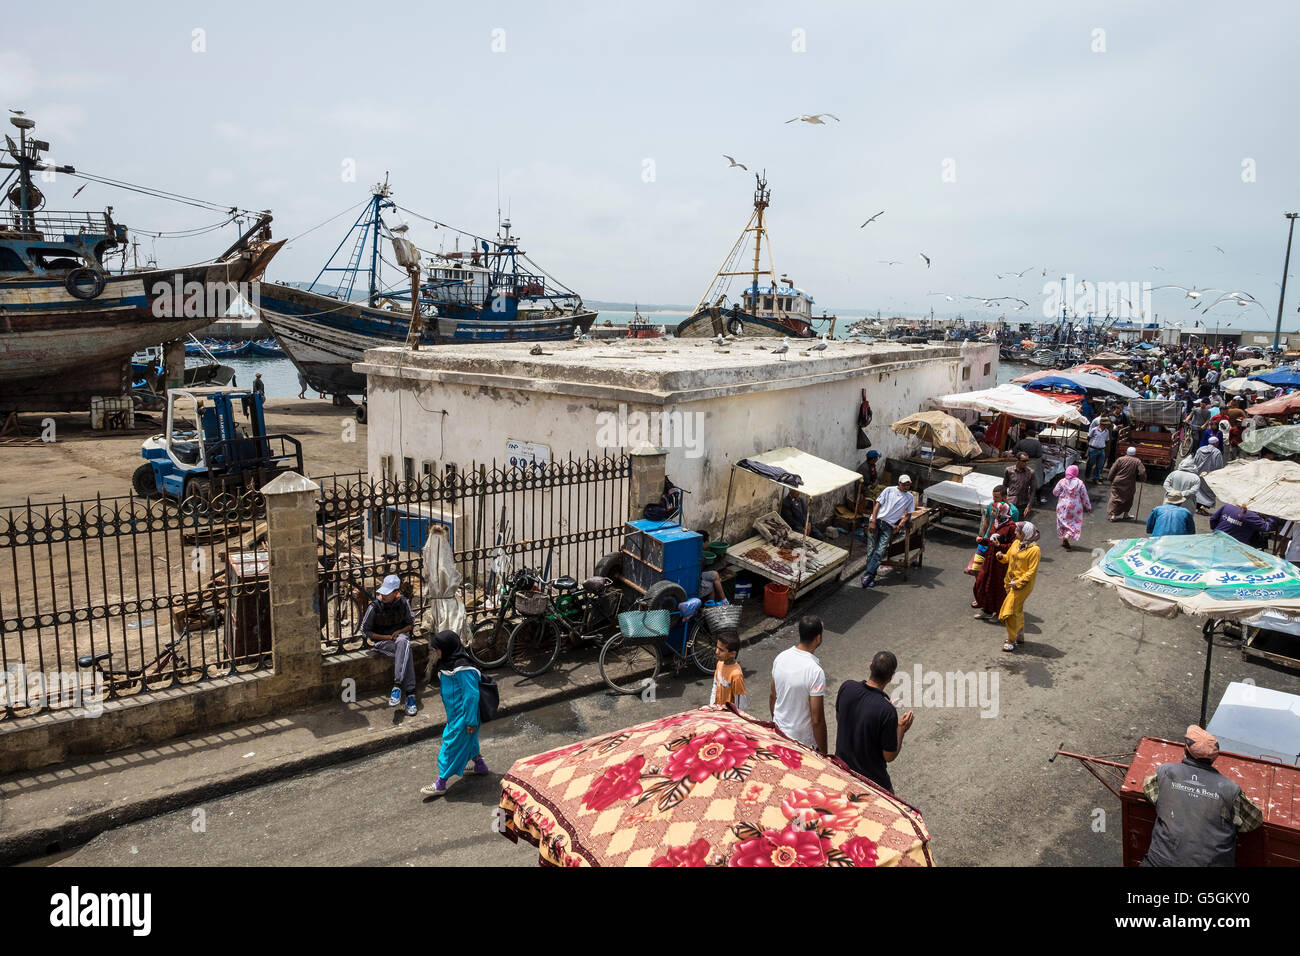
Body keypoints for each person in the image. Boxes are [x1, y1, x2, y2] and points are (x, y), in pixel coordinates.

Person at [1141, 726, 1262, 867]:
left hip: (1159, 863)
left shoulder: (1166, 772)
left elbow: (1149, 790)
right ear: (1214, 758)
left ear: (1185, 749)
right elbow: (1254, 820)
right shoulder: (1230, 789)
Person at [420, 630, 489, 797]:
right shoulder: (448, 663)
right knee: (469, 740)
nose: (436, 652)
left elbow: (471, 695)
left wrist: (470, 721)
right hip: (456, 715)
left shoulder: (463, 669)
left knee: (449, 745)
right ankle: (480, 765)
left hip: (463, 717)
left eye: (437, 649)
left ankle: (441, 783)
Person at [834, 650, 914, 793]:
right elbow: (889, 756)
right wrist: (901, 728)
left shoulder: (847, 687)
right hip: (871, 782)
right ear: (890, 678)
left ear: (870, 666)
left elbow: (839, 718)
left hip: (842, 770)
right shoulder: (887, 710)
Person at [362, 574, 418, 716]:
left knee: (403, 643)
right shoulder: (374, 606)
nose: (383, 596)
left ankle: (398, 688)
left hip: (398, 641)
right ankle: (409, 693)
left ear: (395, 593)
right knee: (406, 648)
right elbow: (365, 630)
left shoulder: (403, 603)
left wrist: (399, 631)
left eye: (387, 593)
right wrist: (385, 637)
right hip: (382, 643)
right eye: (382, 593)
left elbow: (410, 624)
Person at [769, 616, 827, 753]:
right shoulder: (815, 671)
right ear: (818, 638)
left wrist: (777, 723)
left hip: (778, 733)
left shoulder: (781, 657)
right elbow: (817, 719)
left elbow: (773, 696)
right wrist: (824, 751)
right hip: (802, 743)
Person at [860, 474, 915, 589]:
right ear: (899, 483)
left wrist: (902, 522)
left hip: (888, 526)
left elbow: (909, 514)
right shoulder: (889, 490)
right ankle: (871, 577)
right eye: (904, 484)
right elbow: (877, 505)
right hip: (877, 521)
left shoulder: (910, 497)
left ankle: (867, 575)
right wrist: (873, 521)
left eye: (908, 484)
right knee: (871, 550)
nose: (906, 486)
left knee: (879, 552)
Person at [996, 521, 1041, 652]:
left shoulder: (1034, 550)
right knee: (1017, 609)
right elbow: (1008, 558)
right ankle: (1020, 633)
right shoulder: (1016, 543)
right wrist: (1001, 557)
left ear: (1025, 533)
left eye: (1017, 531)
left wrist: (1018, 582)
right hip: (1009, 582)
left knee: (1008, 612)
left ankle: (1011, 639)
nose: (1015, 533)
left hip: (1022, 586)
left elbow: (1031, 571)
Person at [972, 502, 1018, 620]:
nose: (992, 513)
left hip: (1001, 562)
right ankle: (986, 609)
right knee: (982, 582)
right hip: (989, 559)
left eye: (994, 511)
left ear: (1001, 512)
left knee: (997, 587)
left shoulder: (1011, 526)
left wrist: (1000, 546)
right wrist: (982, 540)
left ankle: (999, 612)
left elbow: (1013, 546)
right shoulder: (995, 523)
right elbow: (990, 540)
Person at [1052, 464, 1091, 549]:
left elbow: (1055, 492)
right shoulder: (1080, 483)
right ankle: (1067, 536)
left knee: (1063, 522)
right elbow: (1084, 496)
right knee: (1075, 522)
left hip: (1062, 506)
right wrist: (1088, 507)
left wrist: (1062, 493)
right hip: (1075, 506)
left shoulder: (1062, 481)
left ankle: (1064, 537)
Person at [1106, 446, 1147, 522]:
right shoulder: (1137, 461)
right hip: (1129, 483)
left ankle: (1113, 515)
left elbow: (1112, 470)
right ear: (1135, 453)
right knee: (1128, 498)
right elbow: (1142, 472)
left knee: (1115, 497)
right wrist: (1143, 479)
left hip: (1118, 481)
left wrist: (1110, 478)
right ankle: (1126, 514)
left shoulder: (1120, 459)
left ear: (1126, 452)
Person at [709, 631, 747, 711]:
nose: (716, 652)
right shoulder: (719, 664)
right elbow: (715, 686)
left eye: (721, 650)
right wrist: (712, 705)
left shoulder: (736, 675)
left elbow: (741, 704)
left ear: (732, 654)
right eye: (717, 648)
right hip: (718, 712)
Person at [1210, 502, 1276, 548]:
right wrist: (1275, 516)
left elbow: (1213, 519)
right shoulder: (1250, 515)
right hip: (1233, 548)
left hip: (1214, 540)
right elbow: (1267, 527)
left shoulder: (1228, 506)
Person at [1188, 437, 1225, 515]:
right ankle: (1202, 507)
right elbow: (1219, 465)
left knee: (1199, 490)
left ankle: (1198, 507)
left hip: (1198, 473)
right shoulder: (1217, 452)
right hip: (1209, 475)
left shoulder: (1200, 449)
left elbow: (1195, 460)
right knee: (1209, 492)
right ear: (1215, 443)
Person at [1001, 453, 1036, 519]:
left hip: (1023, 504)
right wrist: (1003, 501)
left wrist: (1029, 506)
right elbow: (1004, 487)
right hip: (1010, 502)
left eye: (1027, 461)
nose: (1026, 463)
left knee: (1019, 526)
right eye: (1024, 461)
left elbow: (1033, 490)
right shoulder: (1009, 470)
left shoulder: (1030, 472)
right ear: (1017, 460)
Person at [1085, 418, 1111, 482]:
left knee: (1099, 465)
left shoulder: (1106, 431)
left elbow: (1107, 440)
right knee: (1090, 464)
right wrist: (1091, 444)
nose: (1107, 426)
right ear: (1103, 424)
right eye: (1106, 424)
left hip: (1101, 450)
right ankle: (1087, 477)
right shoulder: (1094, 430)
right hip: (1093, 449)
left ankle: (1095, 478)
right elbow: (1088, 437)